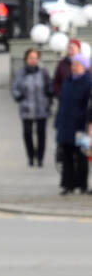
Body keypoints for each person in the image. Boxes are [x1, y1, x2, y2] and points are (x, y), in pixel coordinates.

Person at [54, 54, 92, 194]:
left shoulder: (88, 82)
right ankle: (67, 185)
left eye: (77, 64)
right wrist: (58, 122)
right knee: (66, 156)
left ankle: (82, 185)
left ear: (84, 66)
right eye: (73, 64)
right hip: (65, 125)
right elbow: (62, 104)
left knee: (82, 156)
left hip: (81, 126)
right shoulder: (68, 81)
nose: (74, 67)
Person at [11, 47, 54, 167]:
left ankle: (40, 157)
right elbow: (15, 87)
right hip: (26, 107)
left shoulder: (43, 72)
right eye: (31, 58)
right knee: (27, 133)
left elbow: (50, 85)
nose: (33, 60)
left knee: (41, 133)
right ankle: (31, 155)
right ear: (26, 59)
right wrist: (19, 96)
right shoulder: (21, 72)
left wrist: (50, 93)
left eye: (35, 58)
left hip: (41, 106)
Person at [53, 37, 82, 101]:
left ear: (78, 49)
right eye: (69, 47)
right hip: (65, 99)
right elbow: (56, 82)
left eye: (73, 47)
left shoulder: (84, 63)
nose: (71, 49)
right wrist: (60, 94)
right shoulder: (62, 64)